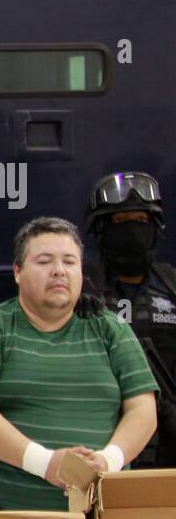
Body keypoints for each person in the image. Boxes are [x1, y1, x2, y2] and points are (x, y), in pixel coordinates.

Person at [0, 216, 157, 510]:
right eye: (45, 261)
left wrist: (107, 461)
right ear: (17, 272)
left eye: (69, 262)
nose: (59, 271)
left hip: (105, 518)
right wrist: (46, 464)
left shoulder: (113, 329)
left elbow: (144, 410)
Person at [82, 172, 176, 468]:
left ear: (155, 228)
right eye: (121, 223)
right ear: (101, 230)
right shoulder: (79, 288)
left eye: (141, 221)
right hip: (102, 443)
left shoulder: (172, 286)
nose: (132, 231)